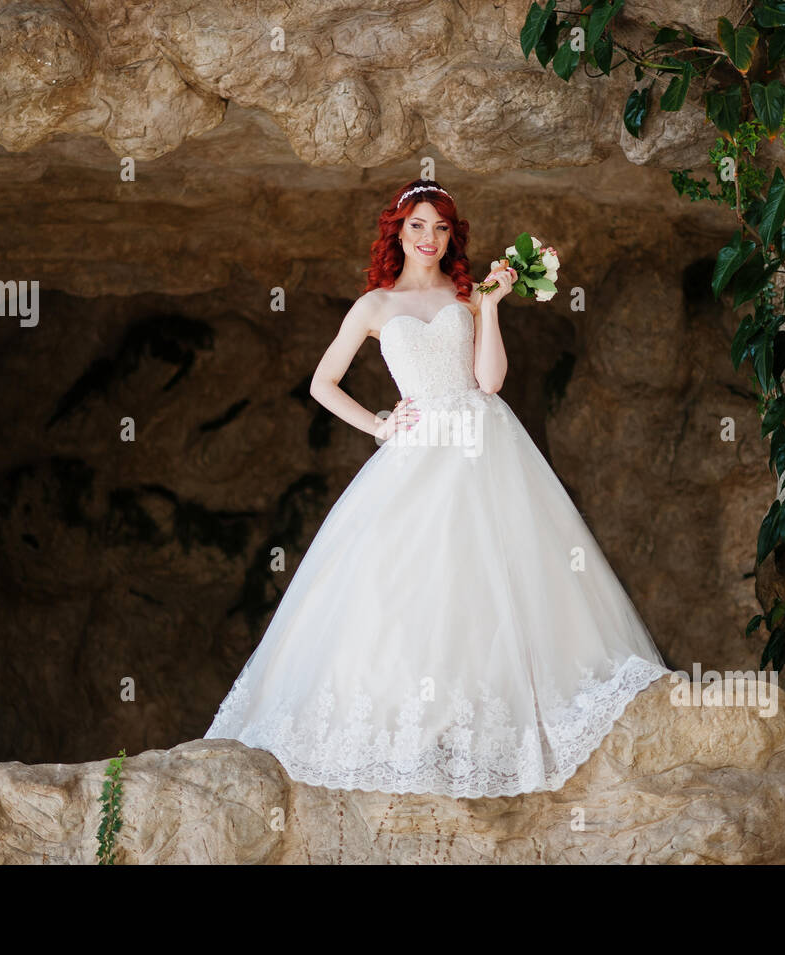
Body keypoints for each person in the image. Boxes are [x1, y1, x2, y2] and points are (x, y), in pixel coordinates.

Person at [204, 179, 670, 798]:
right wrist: (378, 423)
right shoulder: (373, 306)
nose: (430, 238)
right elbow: (322, 382)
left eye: (441, 228)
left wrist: (493, 306)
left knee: (497, 575)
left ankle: (497, 720)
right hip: (415, 451)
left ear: (453, 236)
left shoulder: (466, 294)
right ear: (398, 231)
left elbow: (490, 382)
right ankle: (416, 730)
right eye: (418, 225)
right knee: (406, 584)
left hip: (483, 441)